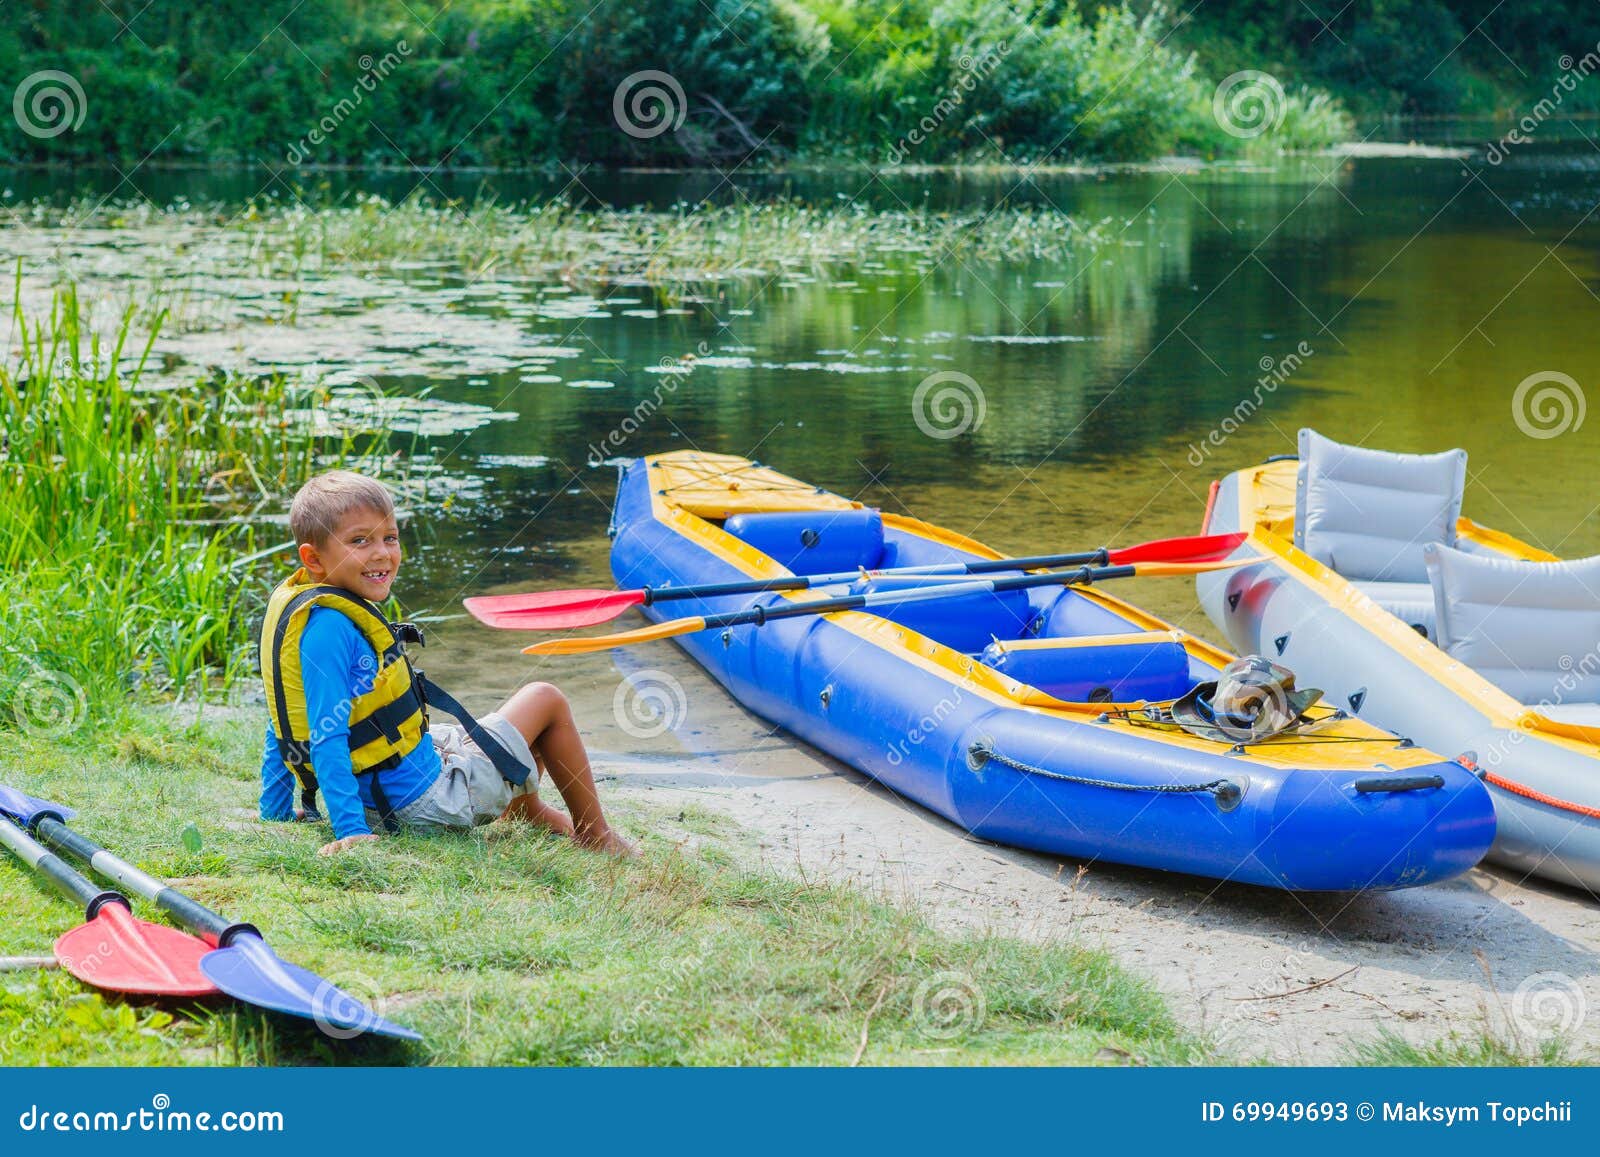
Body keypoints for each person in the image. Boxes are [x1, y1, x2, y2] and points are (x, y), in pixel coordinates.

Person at [257, 470, 635, 857]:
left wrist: (275, 811)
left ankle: (527, 810)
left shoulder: (308, 611)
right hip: (418, 805)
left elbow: (283, 717)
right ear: (314, 559)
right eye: (359, 541)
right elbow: (324, 737)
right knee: (544, 699)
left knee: (491, 729)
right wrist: (352, 831)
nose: (382, 553)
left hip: (384, 797)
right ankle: (595, 835)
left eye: (390, 537)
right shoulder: (332, 629)